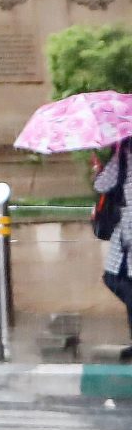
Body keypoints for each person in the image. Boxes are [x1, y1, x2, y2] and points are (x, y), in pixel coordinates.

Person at [92, 138, 132, 361]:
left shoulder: (125, 151)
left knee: (114, 278)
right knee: (125, 281)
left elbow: (102, 184)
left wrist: (99, 169)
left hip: (129, 227)